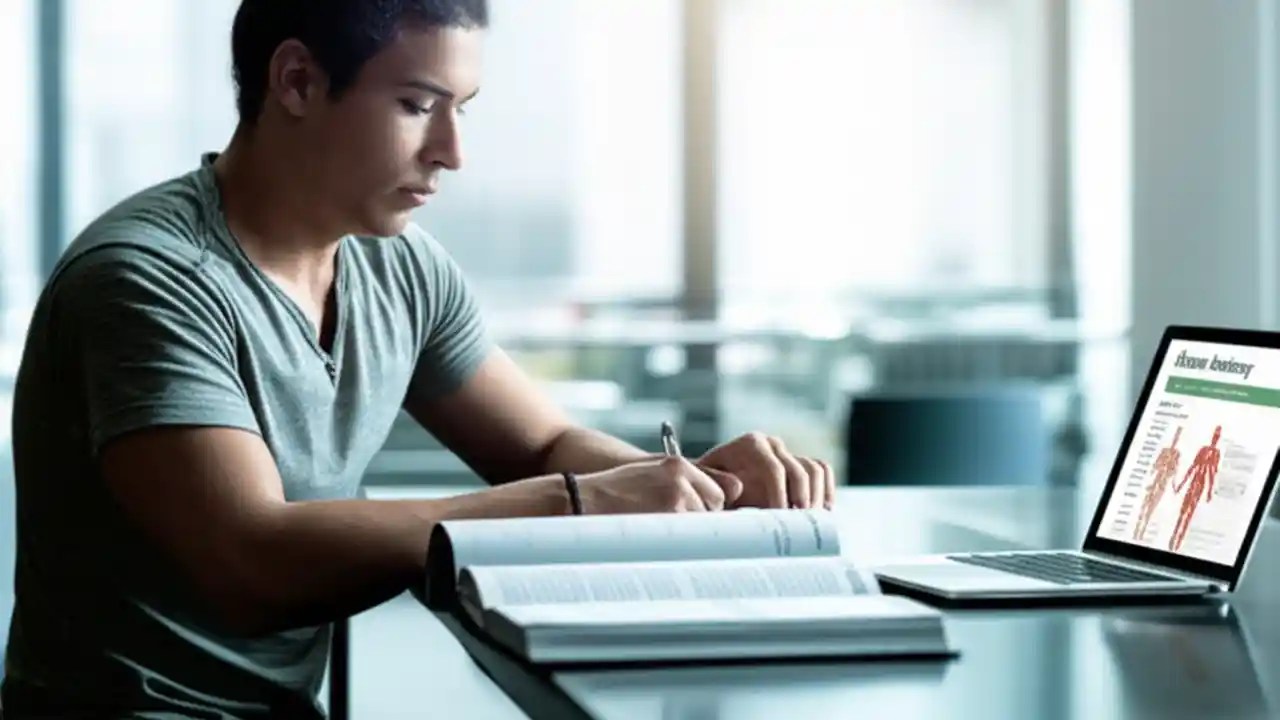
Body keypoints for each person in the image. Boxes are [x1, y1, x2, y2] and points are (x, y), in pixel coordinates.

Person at [1, 0, 835, 716]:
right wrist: (582, 502)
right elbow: (250, 562)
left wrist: (692, 492)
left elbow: (543, 446)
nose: (451, 151)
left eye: (461, 108)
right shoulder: (146, 281)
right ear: (295, 82)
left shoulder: (397, 263)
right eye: (416, 104)